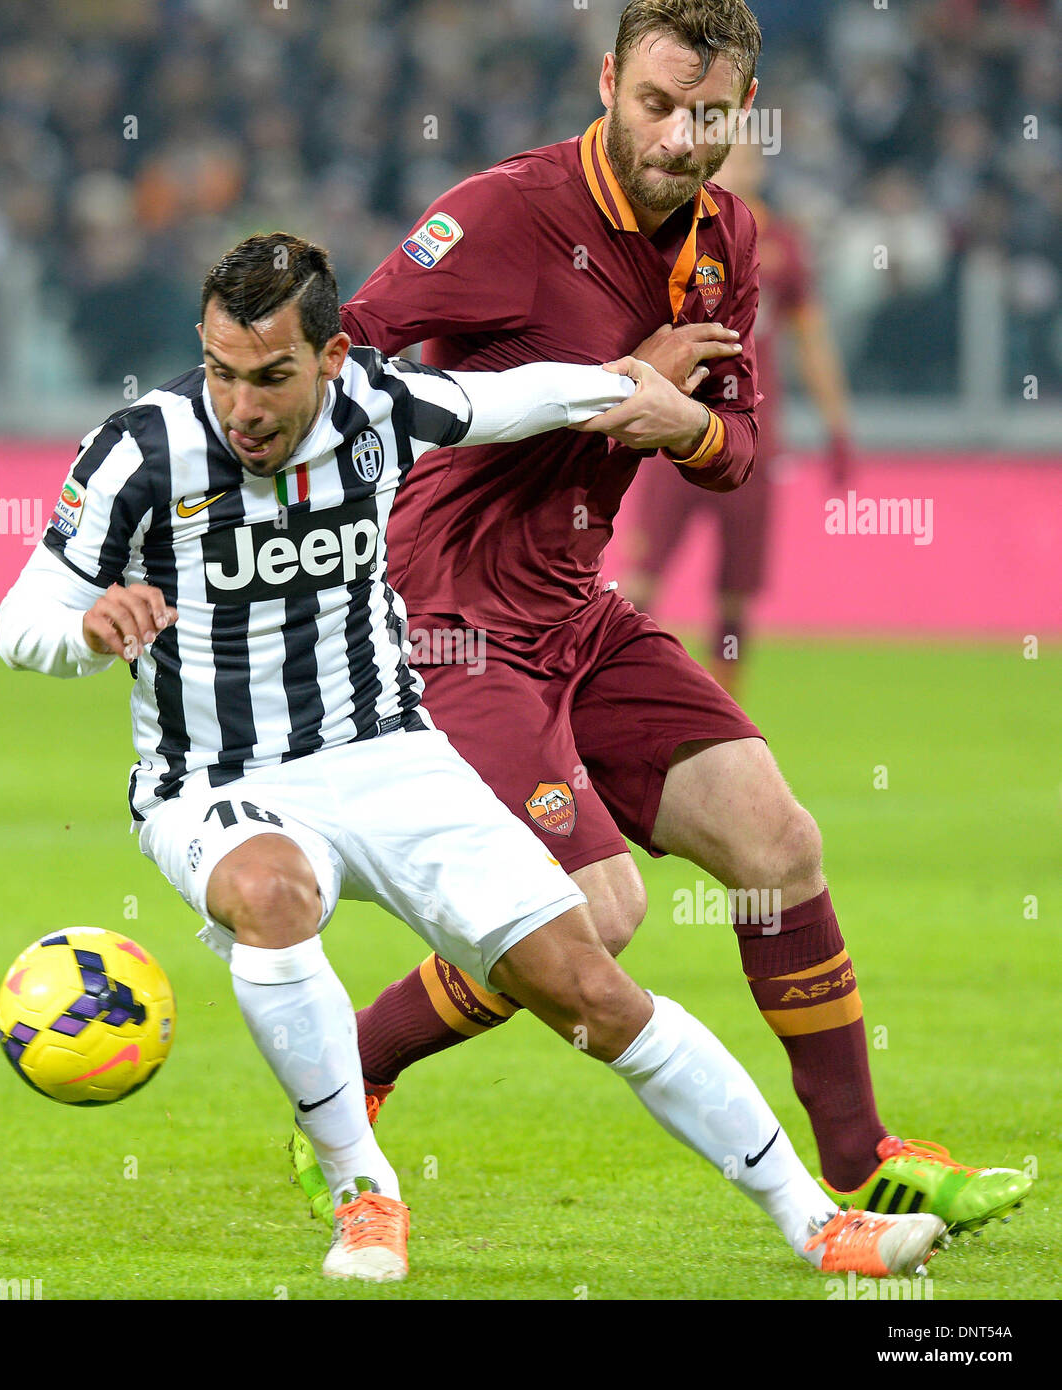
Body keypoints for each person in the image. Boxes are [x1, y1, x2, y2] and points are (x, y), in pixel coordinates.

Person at [0, 233, 944, 1284]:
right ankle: (363, 1193)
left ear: (333, 357)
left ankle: (816, 1222)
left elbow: (517, 399)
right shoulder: (140, 450)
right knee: (271, 893)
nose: (242, 406)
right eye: (221, 370)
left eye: (270, 376)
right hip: (216, 780)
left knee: (588, 985)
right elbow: (20, 619)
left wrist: (629, 380)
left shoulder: (381, 411)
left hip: (391, 757)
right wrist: (84, 633)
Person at [291, 0, 1031, 1235]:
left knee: (774, 840)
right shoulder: (503, 213)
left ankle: (861, 1158)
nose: (682, 137)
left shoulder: (724, 239)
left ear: (742, 110)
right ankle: (349, 1082)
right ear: (605, 82)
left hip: (578, 606)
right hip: (451, 610)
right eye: (655, 105)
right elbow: (346, 361)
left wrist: (674, 421)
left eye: (711, 114)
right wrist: (568, 396)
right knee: (600, 916)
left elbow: (731, 447)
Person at [615, 137, 854, 699]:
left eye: (746, 158)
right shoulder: (675, 233)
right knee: (643, 579)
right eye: (726, 159)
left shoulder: (783, 246)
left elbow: (811, 340)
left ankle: (723, 707)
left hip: (752, 443)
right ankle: (618, 691)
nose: (737, 169)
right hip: (674, 430)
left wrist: (837, 426)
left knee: (735, 593)